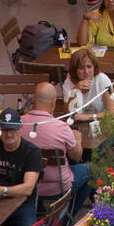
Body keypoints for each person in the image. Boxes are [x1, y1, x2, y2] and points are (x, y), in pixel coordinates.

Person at [22, 83, 90, 216]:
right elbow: (76, 156)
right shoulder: (62, 128)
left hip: (26, 186)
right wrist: (78, 140)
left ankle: (40, 210)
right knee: (91, 170)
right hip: (58, 187)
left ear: (33, 99)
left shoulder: (19, 124)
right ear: (53, 103)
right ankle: (66, 218)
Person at [62, 48, 114, 135]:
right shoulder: (68, 83)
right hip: (80, 128)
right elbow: (68, 114)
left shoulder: (102, 80)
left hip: (105, 126)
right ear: (75, 70)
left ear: (94, 68)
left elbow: (111, 113)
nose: (86, 72)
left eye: (89, 67)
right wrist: (76, 90)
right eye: (81, 68)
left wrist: (87, 117)